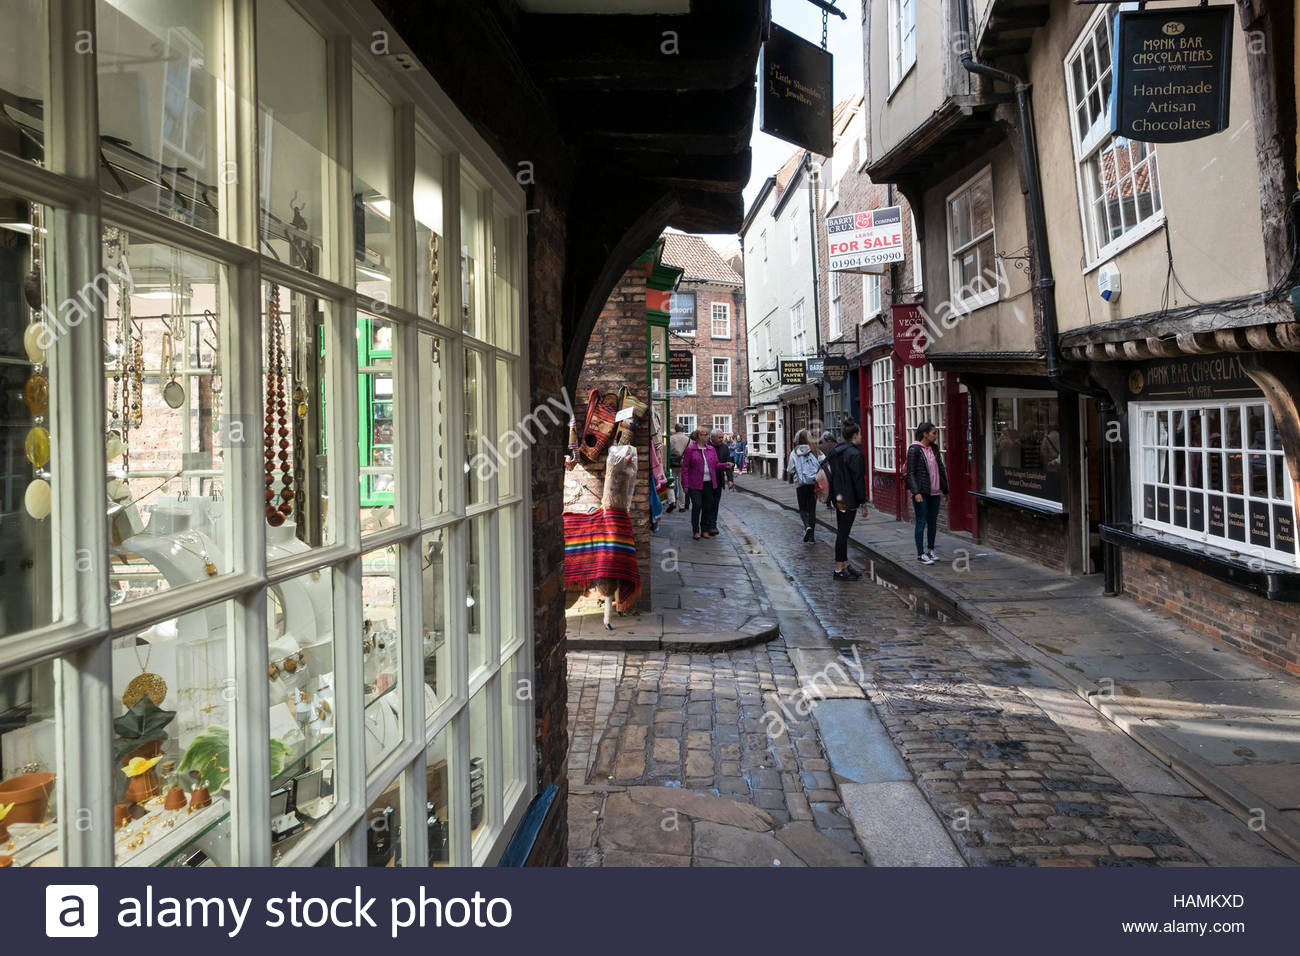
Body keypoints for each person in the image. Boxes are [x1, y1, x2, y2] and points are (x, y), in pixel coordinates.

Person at [825, 422, 868, 581]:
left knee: (842, 531)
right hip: (849, 499)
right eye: (860, 434)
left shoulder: (836, 452)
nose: (862, 437)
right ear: (854, 436)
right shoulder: (855, 455)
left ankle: (844, 564)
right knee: (843, 533)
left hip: (839, 497)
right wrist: (863, 502)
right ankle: (838, 569)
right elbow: (858, 481)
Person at [906, 421, 949, 565]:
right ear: (925, 434)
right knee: (921, 521)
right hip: (922, 492)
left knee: (932, 522)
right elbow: (910, 472)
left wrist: (946, 490)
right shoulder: (914, 449)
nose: (936, 435)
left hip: (935, 492)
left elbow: (941, 470)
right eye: (934, 433)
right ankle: (920, 553)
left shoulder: (934, 449)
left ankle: (931, 549)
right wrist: (916, 492)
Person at [679, 428, 720, 540]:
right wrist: (685, 484)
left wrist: (724, 465)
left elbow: (716, 465)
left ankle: (704, 529)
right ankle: (696, 530)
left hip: (709, 483)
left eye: (707, 434)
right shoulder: (690, 450)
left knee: (708, 506)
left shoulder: (711, 449)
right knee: (697, 505)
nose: (706, 436)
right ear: (698, 436)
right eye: (704, 434)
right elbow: (685, 468)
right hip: (694, 484)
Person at [785, 428, 824, 543]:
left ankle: (807, 526)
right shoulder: (816, 451)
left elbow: (790, 469)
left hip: (801, 485)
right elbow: (824, 461)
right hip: (813, 484)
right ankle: (812, 538)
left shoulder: (794, 452)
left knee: (802, 509)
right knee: (812, 510)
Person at [704, 428, 734, 536]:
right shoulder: (705, 446)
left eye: (722, 437)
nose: (722, 439)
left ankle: (712, 525)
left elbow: (728, 464)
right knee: (707, 504)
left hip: (718, 480)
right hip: (707, 480)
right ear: (712, 438)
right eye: (719, 438)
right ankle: (705, 526)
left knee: (715, 503)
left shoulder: (725, 448)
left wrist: (730, 480)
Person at [668, 423, 691, 513]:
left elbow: (667, 451)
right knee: (682, 485)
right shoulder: (688, 439)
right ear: (683, 430)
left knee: (670, 483)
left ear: (675, 429)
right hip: (684, 464)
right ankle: (682, 506)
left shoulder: (671, 438)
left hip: (672, 464)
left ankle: (672, 501)